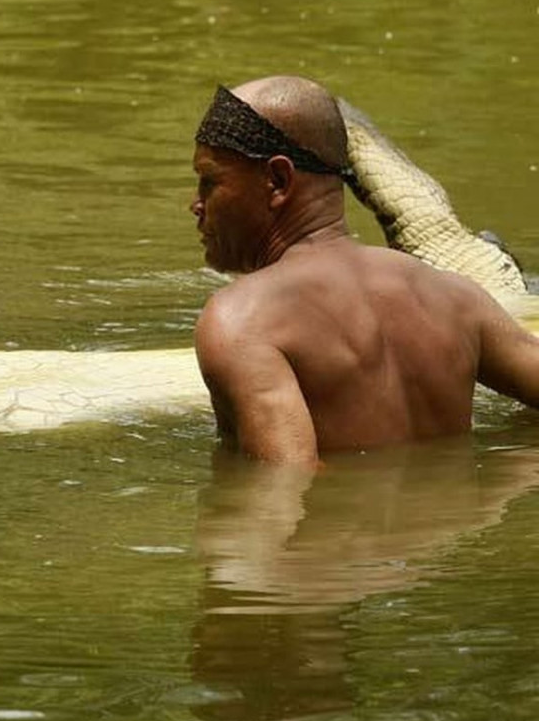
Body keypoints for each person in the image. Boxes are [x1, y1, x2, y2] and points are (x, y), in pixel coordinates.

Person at [190, 75, 539, 465]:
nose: (197, 204)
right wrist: (495, 494)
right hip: (450, 523)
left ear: (278, 181)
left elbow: (286, 488)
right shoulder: (457, 297)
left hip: (337, 526)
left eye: (209, 182)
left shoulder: (241, 322)